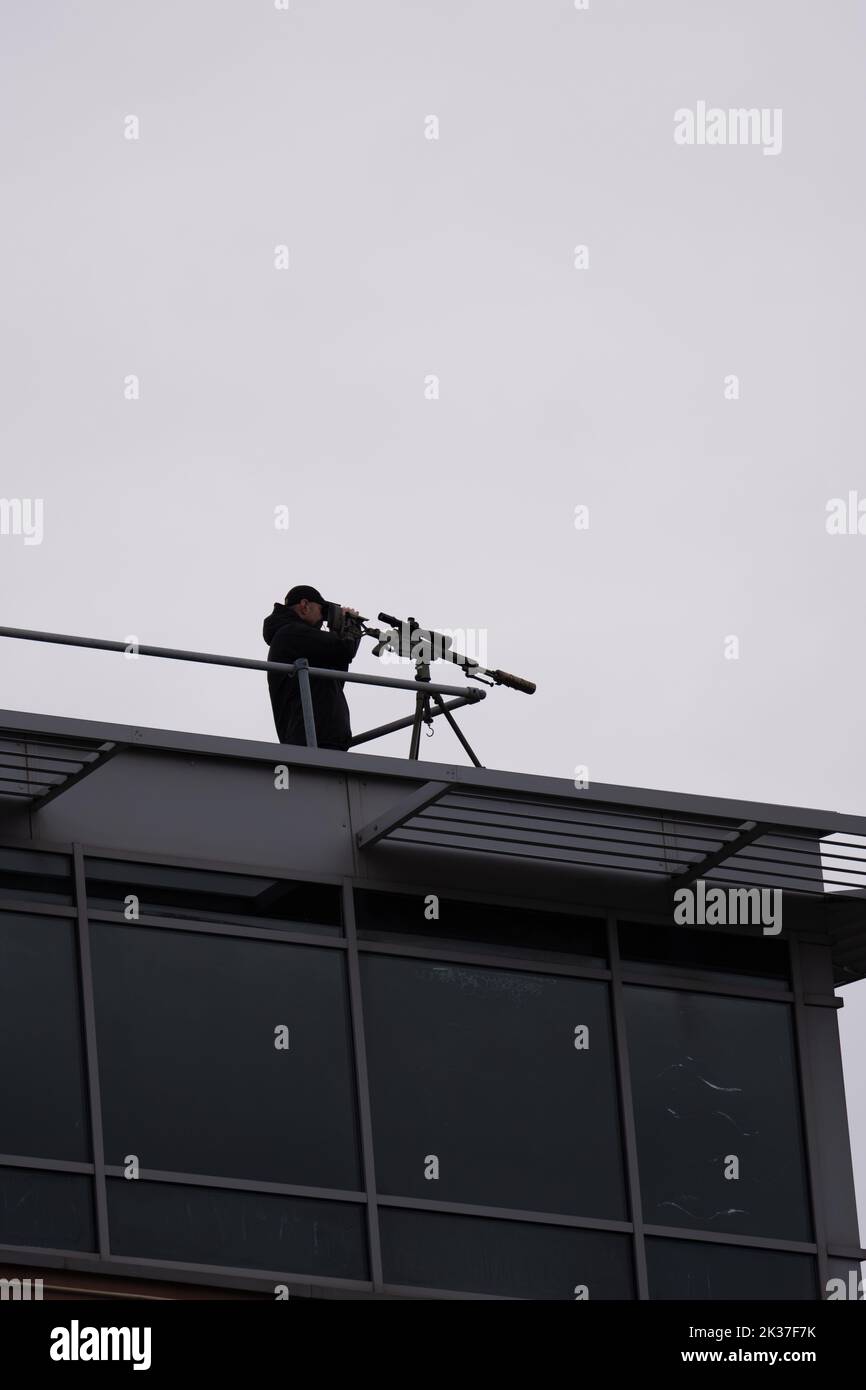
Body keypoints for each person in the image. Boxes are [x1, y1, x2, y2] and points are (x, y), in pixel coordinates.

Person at [262, 585, 362, 750]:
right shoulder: (291, 633)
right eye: (321, 611)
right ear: (304, 605)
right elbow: (345, 649)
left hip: (321, 740)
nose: (322, 619)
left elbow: (337, 678)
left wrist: (342, 631)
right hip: (310, 740)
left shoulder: (299, 640)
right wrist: (352, 626)